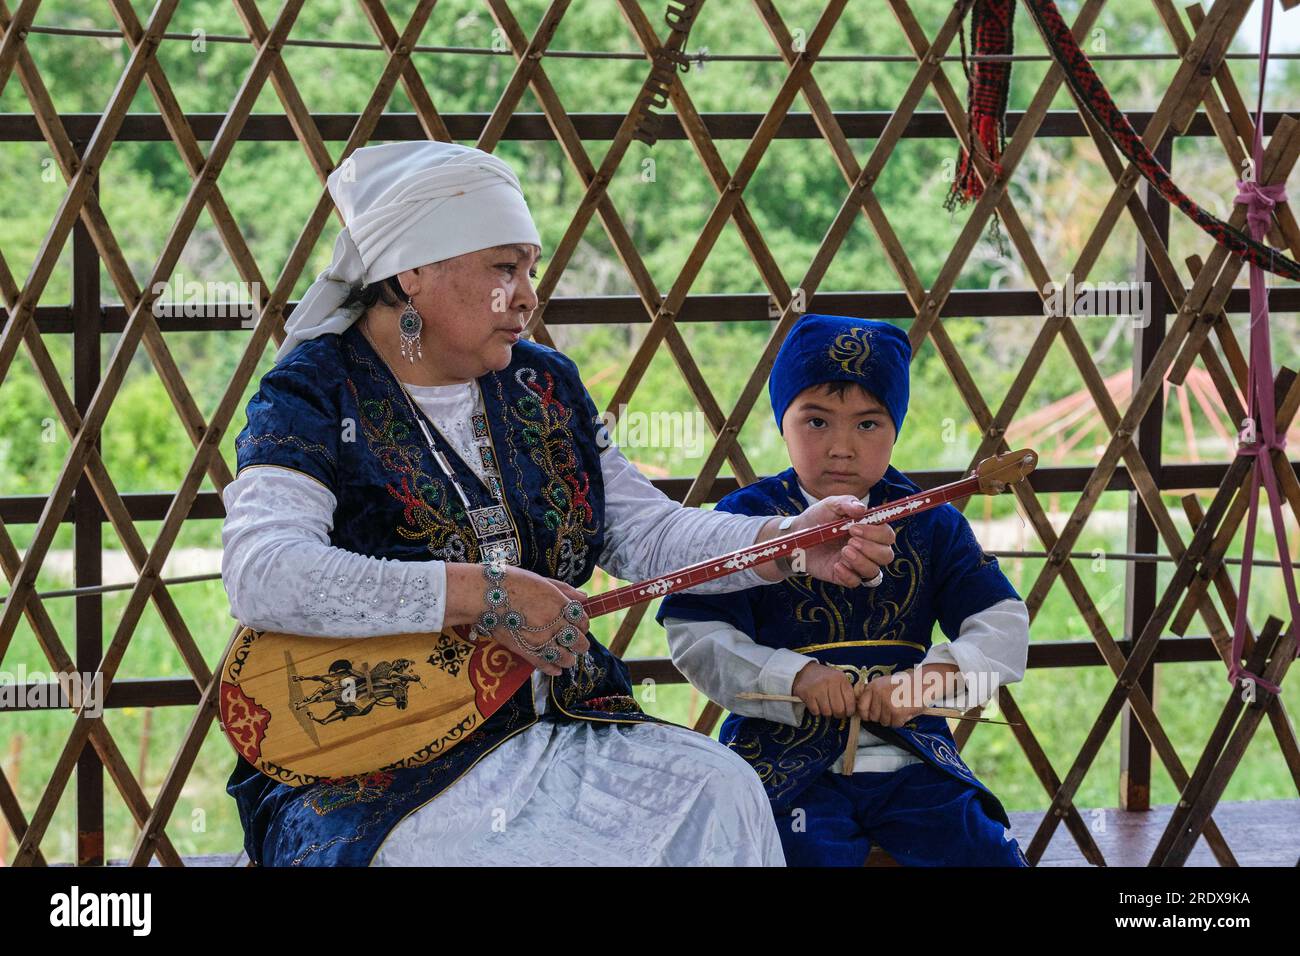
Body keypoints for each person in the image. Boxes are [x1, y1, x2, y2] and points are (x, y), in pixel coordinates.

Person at [220, 141, 892, 866]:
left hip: (561, 721)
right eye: (504, 268)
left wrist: (787, 541)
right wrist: (484, 594)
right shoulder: (313, 393)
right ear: (411, 272)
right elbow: (264, 571)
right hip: (378, 760)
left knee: (721, 789)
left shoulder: (542, 386)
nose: (528, 296)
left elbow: (645, 533)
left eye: (530, 269)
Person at [656, 314, 1031, 866]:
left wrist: (927, 683)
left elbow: (1002, 622)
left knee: (982, 852)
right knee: (791, 851)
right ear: (781, 422)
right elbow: (696, 632)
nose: (841, 448)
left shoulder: (930, 521)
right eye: (816, 422)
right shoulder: (747, 521)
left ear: (895, 428)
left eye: (867, 425)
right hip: (781, 763)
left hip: (912, 761)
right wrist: (795, 677)